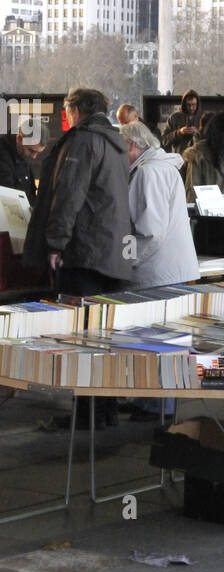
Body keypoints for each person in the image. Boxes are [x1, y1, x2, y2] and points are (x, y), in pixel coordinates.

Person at [25, 87, 133, 431]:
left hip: (85, 253)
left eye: (67, 110)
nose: (66, 116)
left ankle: (86, 416)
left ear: (77, 110)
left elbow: (68, 195)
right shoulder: (116, 144)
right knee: (106, 337)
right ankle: (105, 411)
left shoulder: (83, 141)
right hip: (113, 254)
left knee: (84, 337)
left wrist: (54, 244)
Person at [120, 120, 199, 286]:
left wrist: (123, 261)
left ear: (132, 145)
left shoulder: (147, 172)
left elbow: (150, 233)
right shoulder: (164, 167)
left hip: (155, 274)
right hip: (171, 271)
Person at [0, 120, 49, 204]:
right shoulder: (3, 155)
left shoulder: (22, 152)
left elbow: (29, 191)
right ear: (19, 138)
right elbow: (7, 198)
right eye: (31, 150)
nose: (34, 156)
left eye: (38, 152)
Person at [162, 89, 202, 153]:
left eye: (194, 105)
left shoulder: (203, 118)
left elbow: (211, 141)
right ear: (184, 104)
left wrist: (198, 133)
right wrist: (179, 132)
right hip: (179, 159)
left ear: (198, 104)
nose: (191, 108)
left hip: (198, 159)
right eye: (188, 105)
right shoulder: (174, 118)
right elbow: (164, 140)